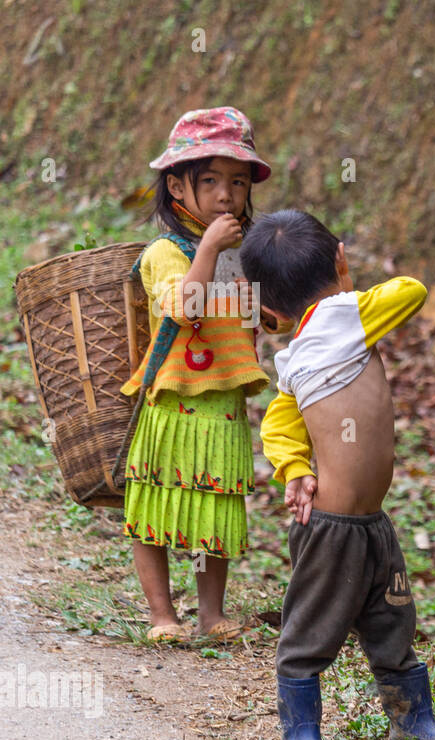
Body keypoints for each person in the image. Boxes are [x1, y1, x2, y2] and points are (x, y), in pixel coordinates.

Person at [240, 209, 435, 740]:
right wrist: (347, 282)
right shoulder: (352, 313)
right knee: (314, 625)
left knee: (391, 618)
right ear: (338, 260)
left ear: (269, 313)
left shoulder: (298, 352)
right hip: (335, 529)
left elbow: (278, 425)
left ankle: (410, 719)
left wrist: (293, 468)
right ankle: (303, 734)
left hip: (369, 525)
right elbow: (412, 289)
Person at [120, 106, 272, 642]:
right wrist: (208, 249)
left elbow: (253, 312)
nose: (226, 195)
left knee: (215, 509)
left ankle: (212, 615)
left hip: (225, 404)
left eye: (236, 182)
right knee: (156, 503)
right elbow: (184, 307)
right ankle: (163, 615)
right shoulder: (166, 251)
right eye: (209, 181)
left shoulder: (240, 250)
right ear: (177, 188)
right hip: (173, 402)